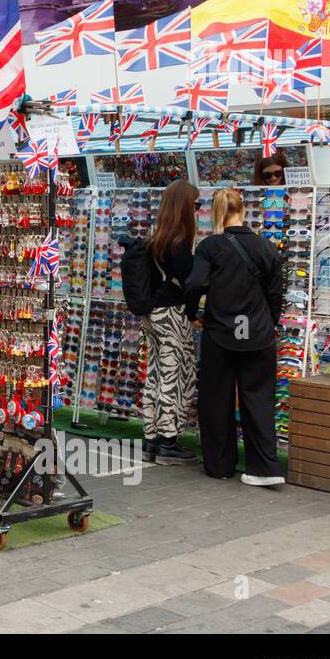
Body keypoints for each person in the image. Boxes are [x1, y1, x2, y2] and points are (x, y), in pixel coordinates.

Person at [184, 187, 286, 486]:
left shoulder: (210, 247)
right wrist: (269, 322)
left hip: (221, 332)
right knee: (259, 399)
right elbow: (275, 294)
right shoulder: (267, 248)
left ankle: (219, 464)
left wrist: (193, 313)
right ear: (244, 211)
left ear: (217, 213)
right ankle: (265, 468)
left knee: (216, 400)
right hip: (259, 334)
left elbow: (194, 284)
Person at [136, 179, 200, 466]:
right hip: (172, 314)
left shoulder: (155, 237)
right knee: (174, 375)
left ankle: (151, 436)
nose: (198, 211)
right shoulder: (178, 242)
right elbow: (191, 282)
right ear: (185, 207)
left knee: (155, 372)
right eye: (195, 205)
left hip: (152, 313)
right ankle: (168, 440)